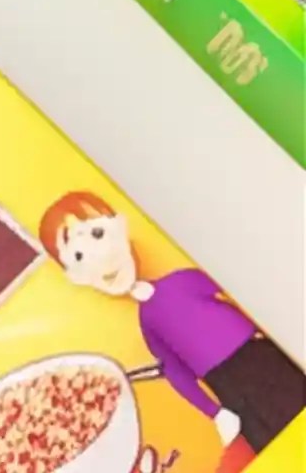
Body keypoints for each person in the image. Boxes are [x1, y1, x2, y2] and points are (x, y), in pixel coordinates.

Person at [38, 191, 306, 454]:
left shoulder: (182, 281)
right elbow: (175, 372)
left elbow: (238, 292)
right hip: (229, 386)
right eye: (78, 256)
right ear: (75, 275)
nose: (101, 258)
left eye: (97, 234)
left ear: (118, 225)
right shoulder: (148, 321)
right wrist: (215, 412)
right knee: (279, 441)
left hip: (259, 354)